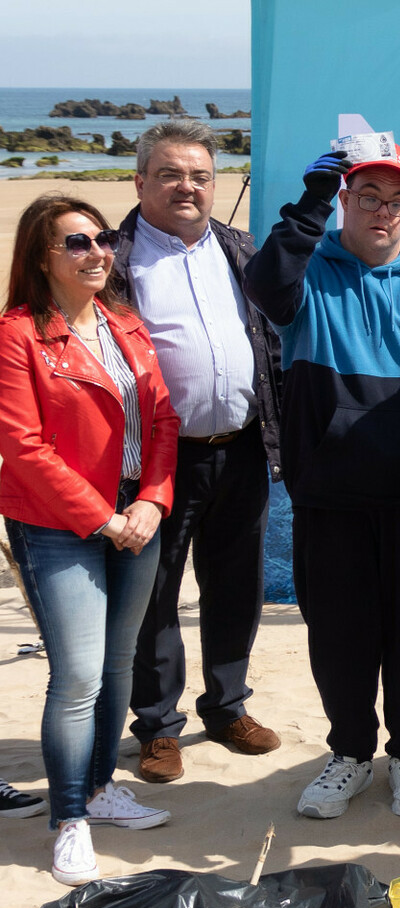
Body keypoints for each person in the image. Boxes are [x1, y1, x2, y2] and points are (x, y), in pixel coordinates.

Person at [244, 141, 400, 821]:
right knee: (338, 636)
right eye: (367, 196)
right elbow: (265, 284)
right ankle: (348, 751)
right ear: (345, 201)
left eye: (396, 199)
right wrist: (309, 205)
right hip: (330, 495)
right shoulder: (310, 274)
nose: (382, 210)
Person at [0, 194, 180, 883]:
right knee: (76, 674)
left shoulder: (125, 323)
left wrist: (155, 501)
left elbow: (163, 419)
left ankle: (103, 789)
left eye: (103, 237)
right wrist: (101, 516)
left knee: (116, 665)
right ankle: (69, 817)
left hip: (137, 516)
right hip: (59, 525)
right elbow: (22, 444)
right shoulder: (18, 333)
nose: (98, 251)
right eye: (76, 242)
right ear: (41, 257)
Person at [108, 119, 283, 784]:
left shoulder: (238, 249)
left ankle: (227, 706)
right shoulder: (114, 258)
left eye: (201, 176)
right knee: (152, 595)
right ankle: (156, 726)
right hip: (156, 461)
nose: (188, 186)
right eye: (171, 174)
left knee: (237, 588)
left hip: (239, 448)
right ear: (141, 180)